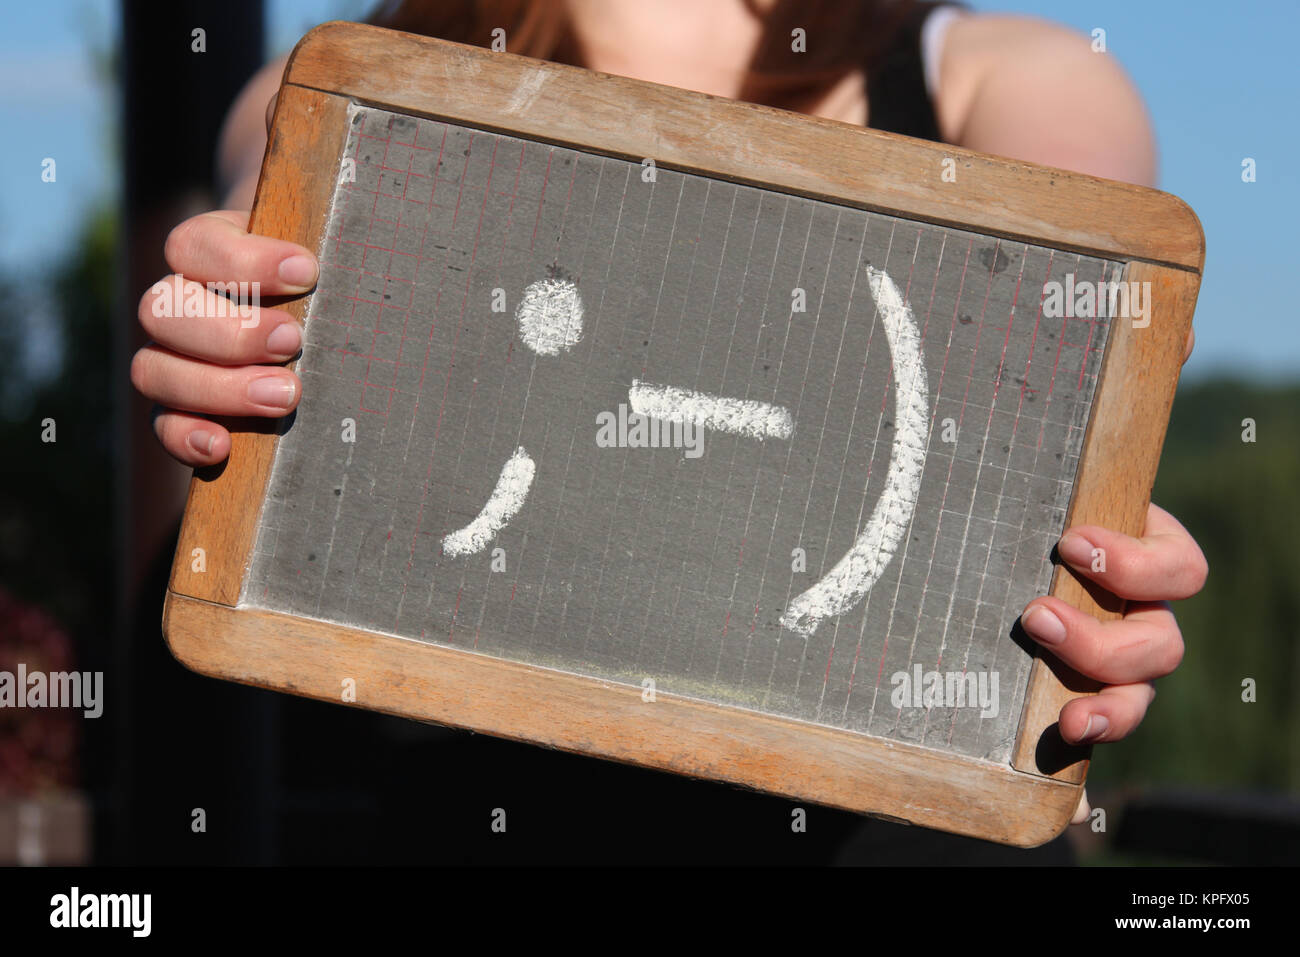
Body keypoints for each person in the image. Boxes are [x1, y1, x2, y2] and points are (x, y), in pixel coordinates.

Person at [129, 0, 1206, 852]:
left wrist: (1099, 530)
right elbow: (261, 236)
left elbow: (1063, 353)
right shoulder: (358, 84)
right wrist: (235, 313)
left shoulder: (1005, 78)